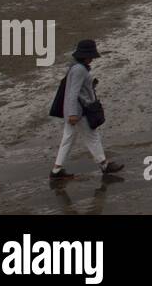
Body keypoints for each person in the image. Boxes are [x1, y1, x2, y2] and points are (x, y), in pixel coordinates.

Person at [50, 39, 123, 180]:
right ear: (85, 56)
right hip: (79, 112)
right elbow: (73, 92)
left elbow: (74, 90)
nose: (92, 59)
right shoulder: (79, 70)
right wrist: (73, 114)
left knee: (68, 139)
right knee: (92, 137)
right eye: (91, 56)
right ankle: (104, 165)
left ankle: (56, 170)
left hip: (71, 111)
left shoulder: (75, 67)